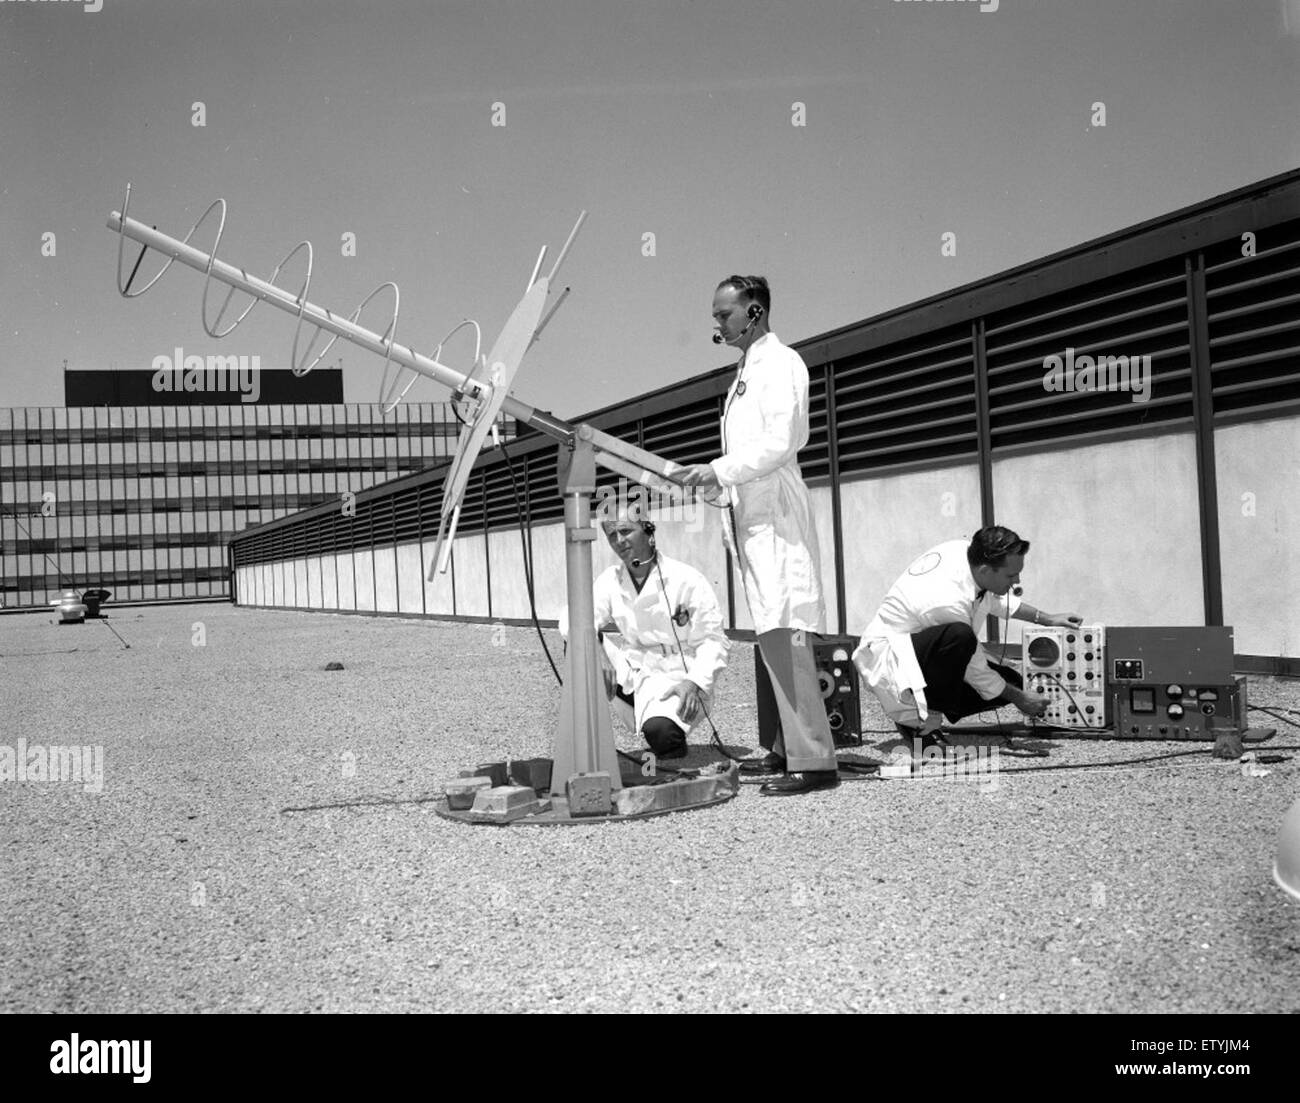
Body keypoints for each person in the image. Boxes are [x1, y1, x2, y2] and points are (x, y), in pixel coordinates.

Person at [677, 275, 839, 795]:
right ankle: (782, 747)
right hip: (752, 517)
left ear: (754, 312)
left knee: (787, 630)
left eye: (724, 315)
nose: (718, 325)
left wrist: (720, 470)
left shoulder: (782, 363)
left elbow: (781, 440)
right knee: (769, 634)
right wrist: (719, 484)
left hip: (777, 517)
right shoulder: (745, 371)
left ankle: (814, 762)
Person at [852, 526, 1084, 751]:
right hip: (890, 661)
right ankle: (917, 725)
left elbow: (993, 599)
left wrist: (1047, 619)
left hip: (921, 647)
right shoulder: (946, 602)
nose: (1017, 582)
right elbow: (975, 670)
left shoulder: (967, 554)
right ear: (985, 570)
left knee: (1011, 680)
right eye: (1011, 575)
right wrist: (1021, 699)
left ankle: (931, 708)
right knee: (960, 641)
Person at [562, 506, 729, 760]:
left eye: (626, 531)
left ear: (648, 530)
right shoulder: (611, 579)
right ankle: (587, 744)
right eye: (611, 535)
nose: (619, 541)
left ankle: (667, 734)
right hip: (633, 673)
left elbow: (713, 641)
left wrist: (693, 683)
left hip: (678, 678)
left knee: (662, 735)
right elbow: (571, 616)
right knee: (577, 642)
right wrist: (597, 652)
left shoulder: (686, 579)